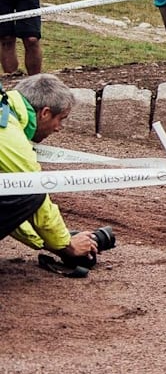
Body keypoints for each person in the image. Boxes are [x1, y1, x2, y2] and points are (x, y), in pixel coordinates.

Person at [0, 73, 107, 270]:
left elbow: (12, 208)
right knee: (32, 191)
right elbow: (34, 199)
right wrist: (67, 246)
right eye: (61, 119)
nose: (59, 128)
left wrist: (47, 243)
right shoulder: (8, 132)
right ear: (45, 113)